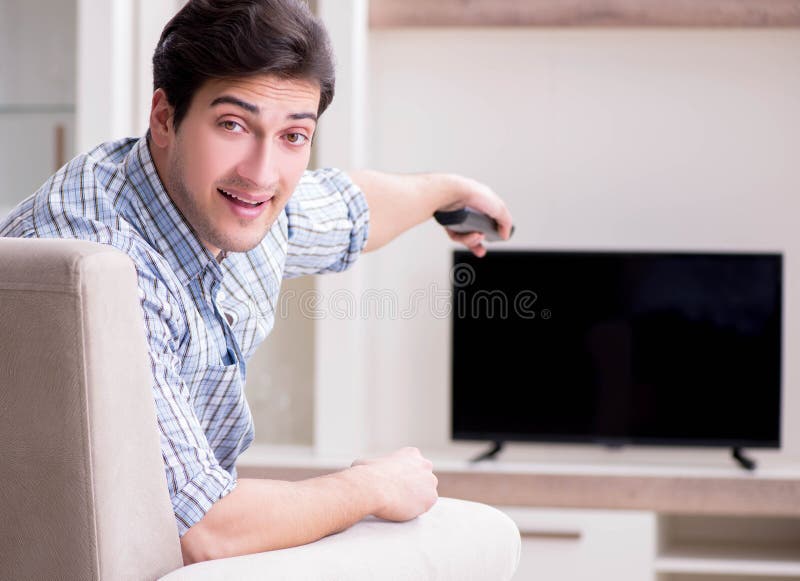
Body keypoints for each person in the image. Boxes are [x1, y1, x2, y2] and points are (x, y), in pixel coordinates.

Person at [0, 0, 512, 564]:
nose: (261, 173)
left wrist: (449, 193)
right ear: (165, 117)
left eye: (294, 136)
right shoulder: (108, 267)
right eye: (233, 125)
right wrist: (373, 485)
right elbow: (208, 529)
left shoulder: (222, 198)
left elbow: (350, 209)